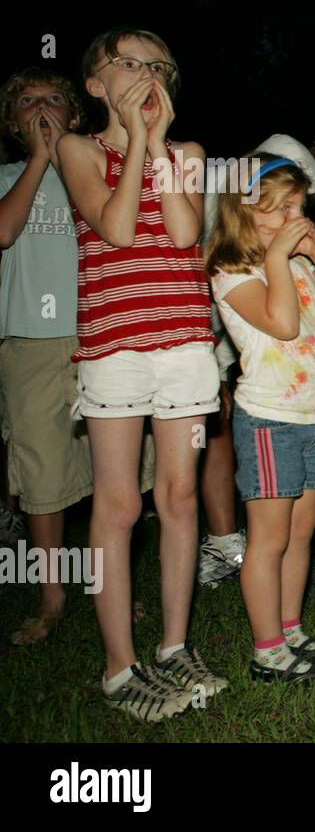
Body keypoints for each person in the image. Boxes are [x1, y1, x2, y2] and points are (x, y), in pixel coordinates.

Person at [57, 27, 224, 719]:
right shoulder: (76, 148)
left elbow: (184, 236)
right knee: (119, 504)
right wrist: (127, 143)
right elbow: (118, 228)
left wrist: (156, 145)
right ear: (96, 84)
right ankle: (118, 667)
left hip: (184, 344)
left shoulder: (186, 152)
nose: (145, 73)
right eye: (127, 63)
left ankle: (174, 647)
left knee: (179, 497)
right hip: (115, 347)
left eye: (158, 65)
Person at [209, 155, 315, 682]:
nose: (295, 217)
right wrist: (276, 254)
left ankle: (289, 627)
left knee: (302, 532)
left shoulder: (297, 264)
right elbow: (284, 324)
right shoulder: (231, 271)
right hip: (269, 420)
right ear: (245, 212)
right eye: (281, 209)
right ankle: (266, 651)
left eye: (298, 207)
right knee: (268, 539)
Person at [0, 67, 92, 645]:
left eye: (53, 100)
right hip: (29, 341)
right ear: (13, 122)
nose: (41, 109)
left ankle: (111, 588)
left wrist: (66, 160)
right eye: (27, 103)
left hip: (97, 335)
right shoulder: (8, 175)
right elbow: (5, 232)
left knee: (119, 471)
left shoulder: (95, 172)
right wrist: (39, 160)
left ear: (74, 115)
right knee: (40, 471)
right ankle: (51, 596)